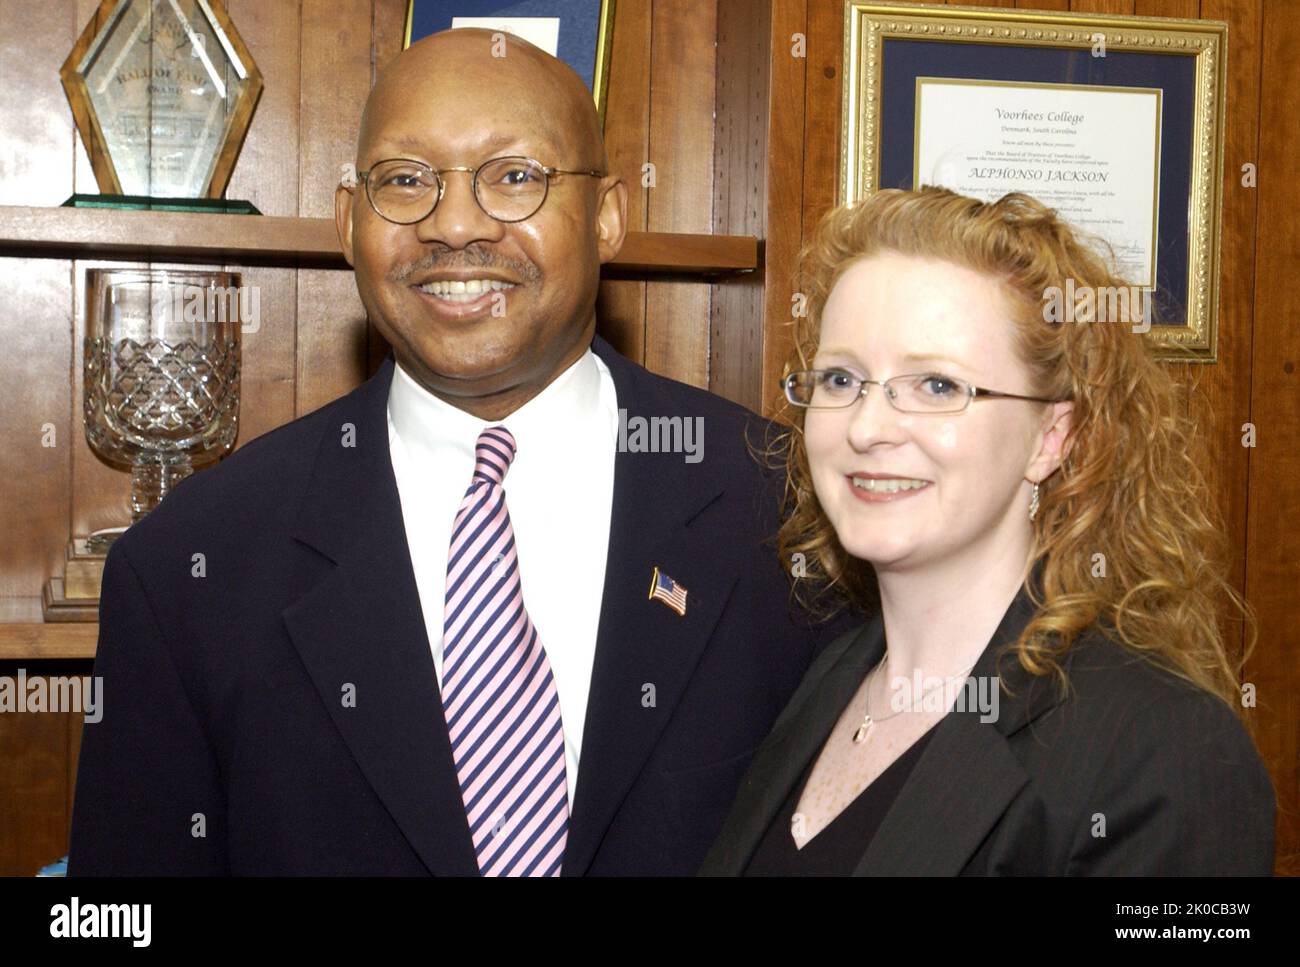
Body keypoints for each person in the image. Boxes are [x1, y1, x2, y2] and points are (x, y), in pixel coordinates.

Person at [67, 29, 840, 876]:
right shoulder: (190, 564)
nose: (456, 224)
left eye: (516, 176)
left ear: (611, 214)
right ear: (348, 223)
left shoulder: (794, 514)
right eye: (405, 181)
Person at [700, 187, 1276, 876]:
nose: (866, 427)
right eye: (841, 377)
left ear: (1051, 437)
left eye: (938, 385)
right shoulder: (831, 676)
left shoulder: (1168, 754)